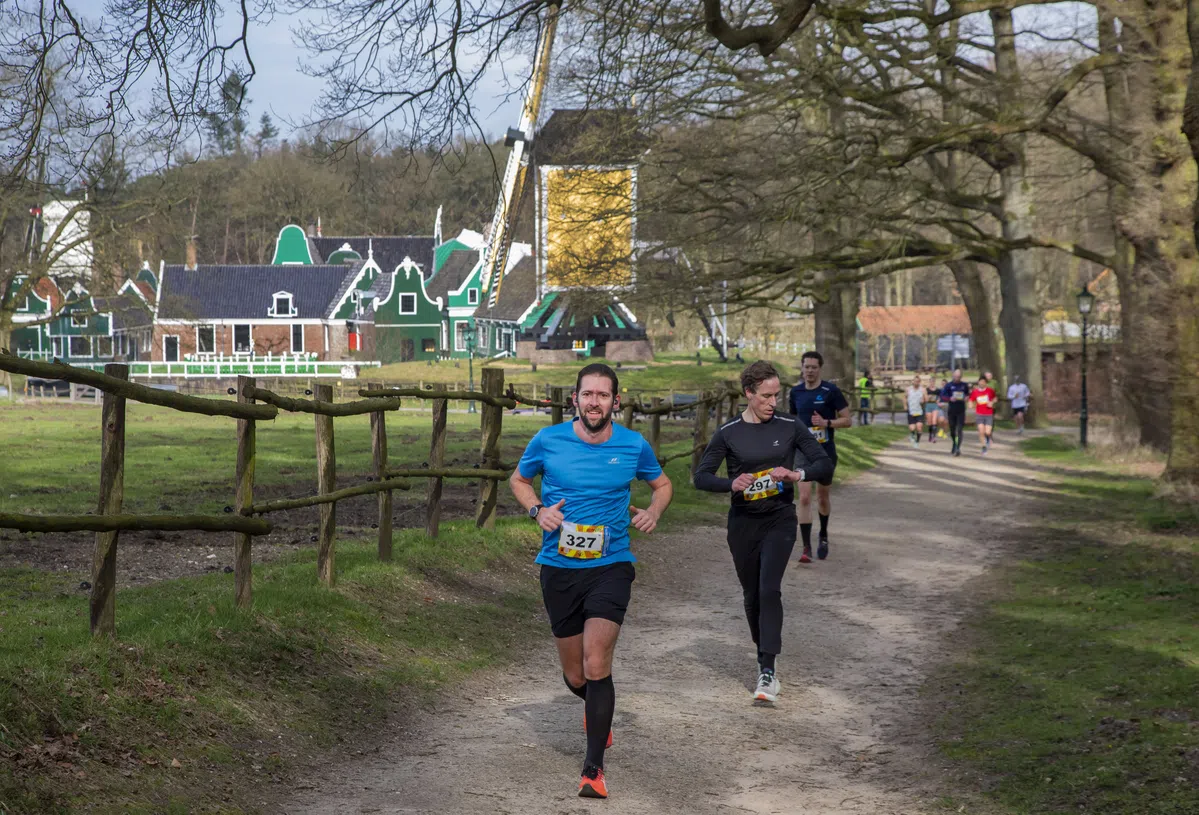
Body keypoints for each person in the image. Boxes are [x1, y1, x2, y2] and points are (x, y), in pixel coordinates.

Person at [509, 362, 673, 799]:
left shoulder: (633, 445)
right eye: (587, 394)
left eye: (603, 395)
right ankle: (599, 716)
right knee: (576, 674)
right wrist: (536, 511)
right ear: (575, 399)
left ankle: (593, 769)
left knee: (597, 662)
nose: (595, 402)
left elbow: (663, 485)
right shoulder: (548, 440)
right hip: (559, 567)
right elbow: (519, 480)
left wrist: (654, 511)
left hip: (611, 565)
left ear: (615, 402)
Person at [694, 360, 832, 703]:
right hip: (743, 522)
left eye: (777, 395)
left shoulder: (789, 425)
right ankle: (762, 655)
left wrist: (796, 475)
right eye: (766, 396)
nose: (773, 402)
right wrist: (731, 483)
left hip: (779, 518)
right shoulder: (728, 433)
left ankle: (767, 670)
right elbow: (701, 476)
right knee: (752, 596)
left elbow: (823, 462)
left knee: (769, 589)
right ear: (749, 394)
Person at [788, 351, 852, 562]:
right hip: (803, 452)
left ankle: (823, 534)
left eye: (814, 367)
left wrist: (827, 423)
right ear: (802, 368)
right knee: (804, 497)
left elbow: (847, 419)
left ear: (820, 369)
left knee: (822, 498)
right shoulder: (795, 392)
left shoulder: (830, 391)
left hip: (825, 452)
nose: (809, 371)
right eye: (806, 367)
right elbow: (793, 420)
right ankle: (806, 547)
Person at [940, 369, 970, 456]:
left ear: (961, 376)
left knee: (959, 430)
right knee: (952, 430)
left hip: (961, 410)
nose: (957, 378)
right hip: (952, 410)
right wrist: (950, 399)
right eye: (956, 376)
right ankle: (954, 443)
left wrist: (967, 398)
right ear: (953, 376)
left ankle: (957, 447)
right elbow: (942, 396)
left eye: (959, 376)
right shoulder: (949, 385)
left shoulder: (964, 385)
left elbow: (968, 394)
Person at [969, 375, 997, 454]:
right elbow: (971, 399)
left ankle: (988, 438)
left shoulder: (990, 391)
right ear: (978, 382)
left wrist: (992, 402)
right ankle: (983, 447)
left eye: (983, 382)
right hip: (979, 414)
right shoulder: (975, 391)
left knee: (987, 432)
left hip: (988, 414)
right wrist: (970, 404)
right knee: (981, 431)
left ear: (985, 383)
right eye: (980, 382)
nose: (981, 383)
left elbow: (995, 398)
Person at [905, 376, 926, 447]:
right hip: (911, 411)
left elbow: (926, 399)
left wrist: (923, 400)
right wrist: (905, 406)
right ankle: (912, 434)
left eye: (917, 381)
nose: (916, 382)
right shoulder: (908, 389)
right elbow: (904, 398)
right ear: (912, 381)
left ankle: (917, 442)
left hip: (919, 411)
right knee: (912, 428)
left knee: (919, 427)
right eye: (915, 381)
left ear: (919, 382)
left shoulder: (923, 390)